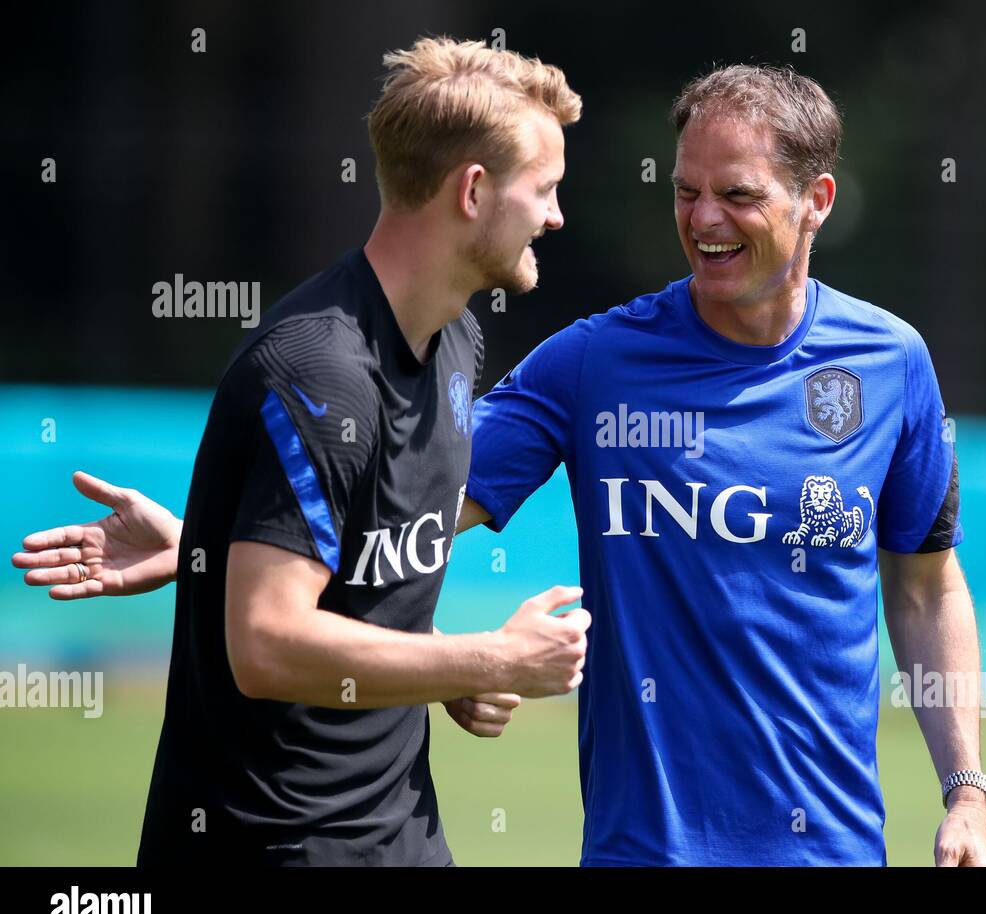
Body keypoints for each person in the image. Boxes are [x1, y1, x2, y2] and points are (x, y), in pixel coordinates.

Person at [17, 63, 986, 867]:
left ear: (815, 200)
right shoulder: (589, 364)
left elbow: (922, 584)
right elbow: (393, 523)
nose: (703, 220)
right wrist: (213, 545)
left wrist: (966, 790)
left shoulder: (891, 364)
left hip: (833, 851)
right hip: (639, 852)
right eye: (686, 191)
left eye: (737, 194)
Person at [13, 36, 590, 866]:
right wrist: (489, 656)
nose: (556, 215)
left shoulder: (457, 342)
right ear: (473, 191)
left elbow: (357, 566)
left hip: (401, 838)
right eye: (544, 190)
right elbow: (268, 644)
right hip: (272, 845)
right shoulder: (319, 368)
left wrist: (209, 543)